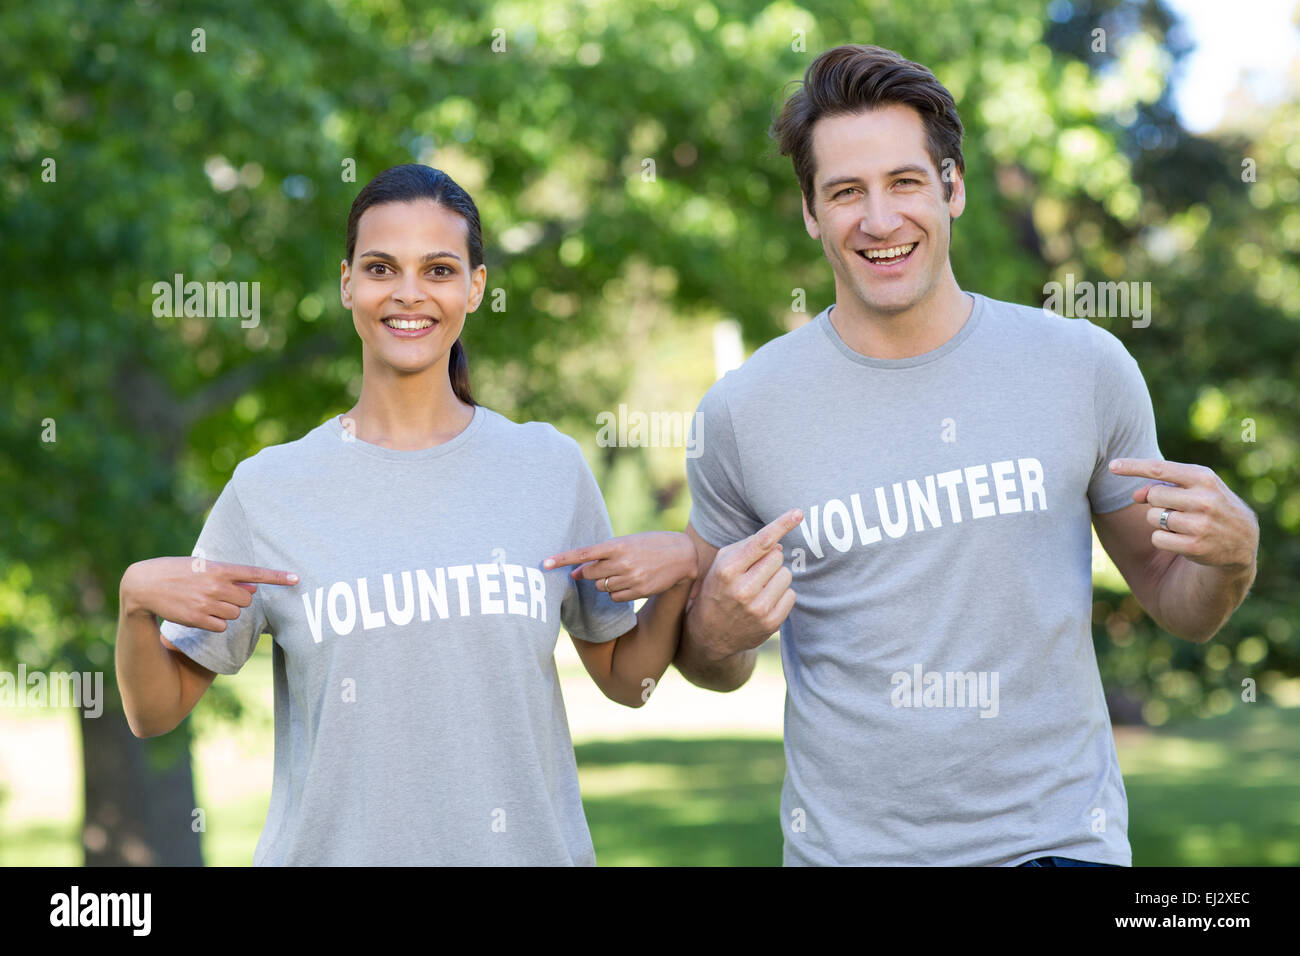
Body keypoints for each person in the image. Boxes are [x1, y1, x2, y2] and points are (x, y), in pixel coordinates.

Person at [673, 45, 1259, 866]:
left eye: (905, 182)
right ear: (810, 211)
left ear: (951, 187)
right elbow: (714, 664)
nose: (879, 221)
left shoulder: (1081, 368)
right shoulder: (740, 413)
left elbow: (1179, 602)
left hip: (1058, 846)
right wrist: (714, 628)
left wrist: (1232, 561)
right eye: (846, 192)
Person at [115, 163, 698, 866]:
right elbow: (155, 713)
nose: (409, 293)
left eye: (440, 269)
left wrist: (680, 578)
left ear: (476, 287)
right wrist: (133, 607)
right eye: (382, 267)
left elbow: (624, 681)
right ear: (347, 284)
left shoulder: (547, 468)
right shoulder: (271, 488)